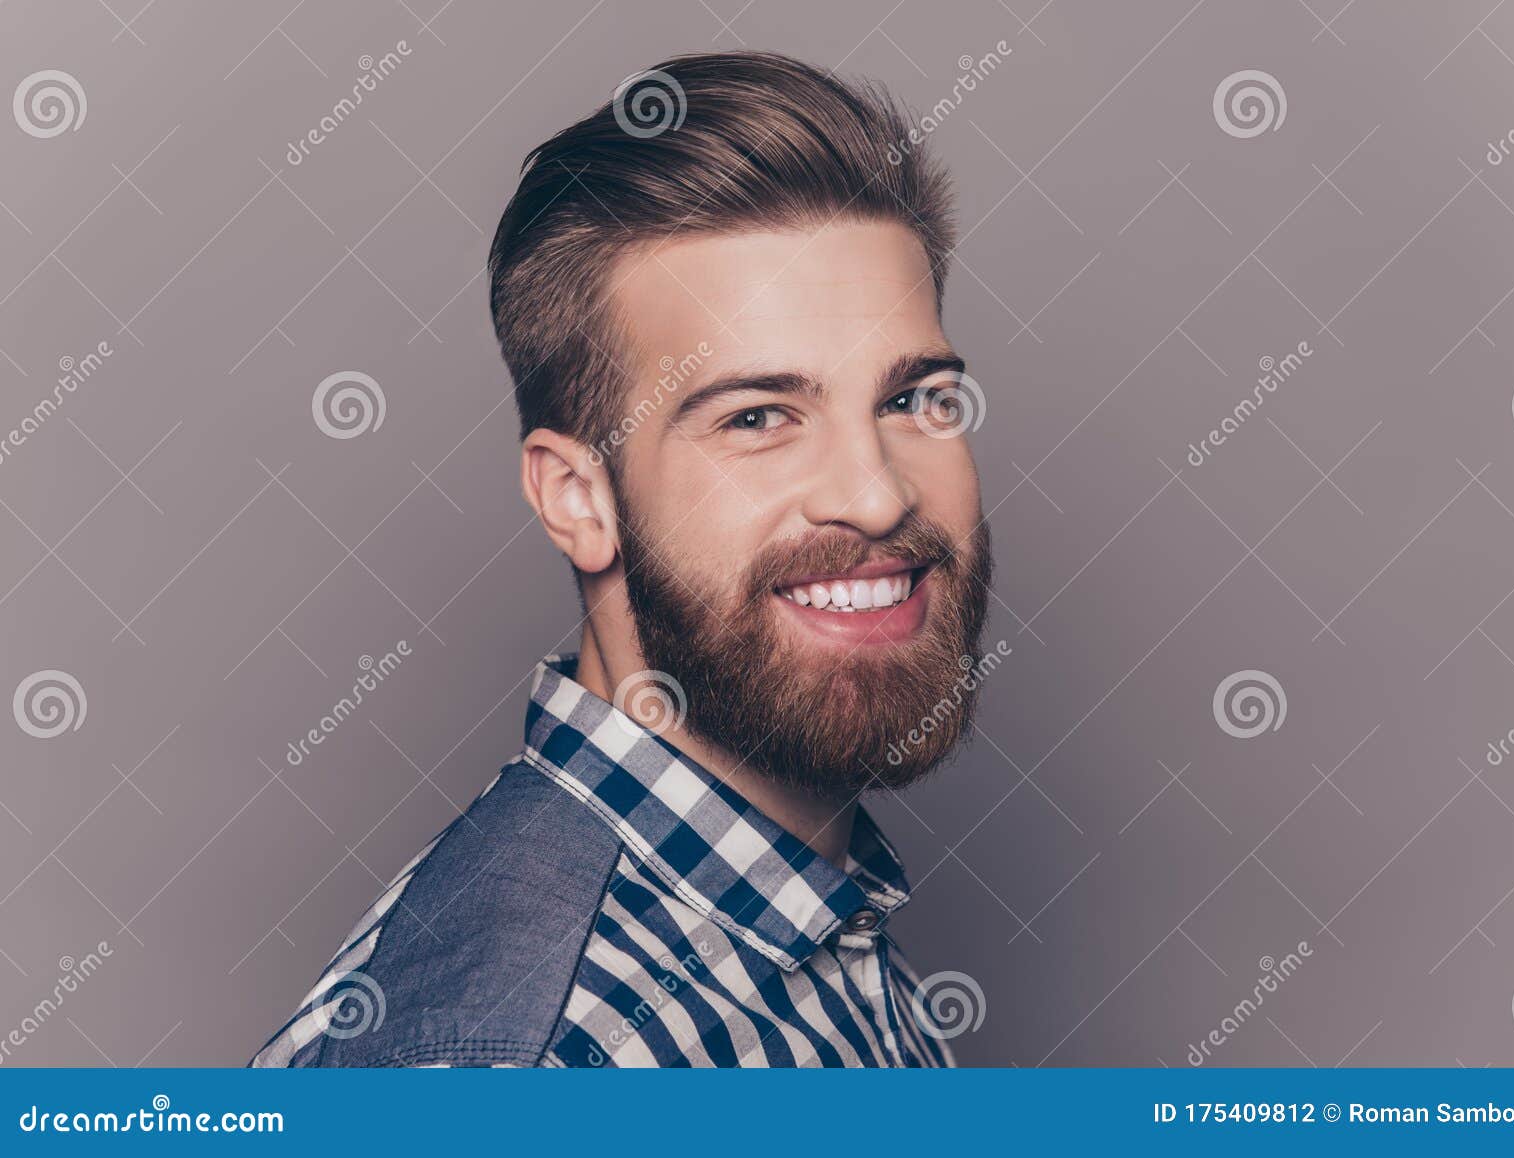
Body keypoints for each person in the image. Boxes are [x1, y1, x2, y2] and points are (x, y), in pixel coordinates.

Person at [253, 49, 995, 1068]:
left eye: (914, 400)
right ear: (578, 498)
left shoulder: (797, 911)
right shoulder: (535, 1058)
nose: (875, 493)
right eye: (757, 416)